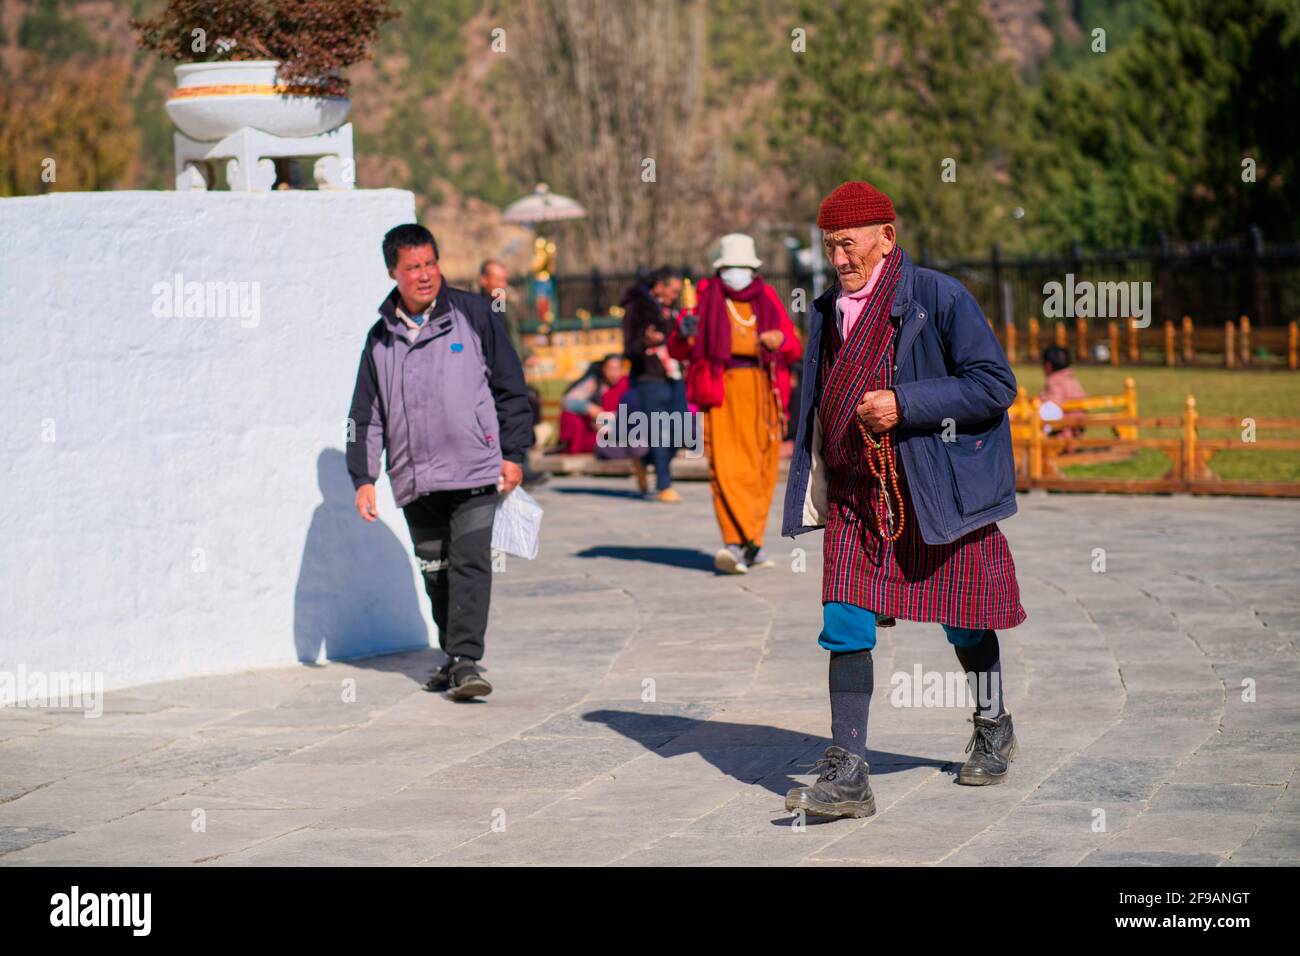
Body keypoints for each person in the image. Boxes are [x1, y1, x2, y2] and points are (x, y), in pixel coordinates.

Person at [780, 182, 1026, 818]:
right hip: (858, 496)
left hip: (933, 486)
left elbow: (995, 385)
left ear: (887, 238)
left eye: (849, 243)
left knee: (964, 616)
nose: (839, 258)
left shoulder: (939, 297)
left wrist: (907, 405)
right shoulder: (828, 309)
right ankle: (849, 771)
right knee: (844, 621)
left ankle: (993, 722)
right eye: (830, 245)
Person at [347, 224, 532, 701]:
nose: (425, 275)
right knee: (436, 572)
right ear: (393, 272)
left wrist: (513, 453)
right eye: (413, 267)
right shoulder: (380, 339)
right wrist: (363, 477)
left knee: (470, 563)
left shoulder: (474, 314)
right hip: (415, 475)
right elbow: (365, 415)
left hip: (474, 468)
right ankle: (454, 656)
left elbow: (510, 386)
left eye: (431, 263)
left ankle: (467, 659)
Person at [683, 234, 802, 574]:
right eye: (732, 267)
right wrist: (683, 332)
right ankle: (735, 543)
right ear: (720, 269)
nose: (738, 273)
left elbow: (792, 344)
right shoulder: (706, 297)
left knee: (762, 467)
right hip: (723, 389)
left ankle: (753, 542)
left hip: (763, 388)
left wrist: (778, 340)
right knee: (725, 466)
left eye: (744, 268)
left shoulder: (765, 296)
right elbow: (683, 346)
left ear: (754, 269)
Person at [621, 266, 687, 502]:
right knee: (659, 431)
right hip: (649, 377)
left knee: (683, 433)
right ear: (659, 285)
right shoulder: (637, 308)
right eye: (672, 290)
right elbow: (628, 348)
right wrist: (644, 342)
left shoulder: (672, 310)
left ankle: (645, 459)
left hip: (675, 375)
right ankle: (663, 484)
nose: (675, 295)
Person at [558, 353, 630, 454]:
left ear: (622, 370)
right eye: (610, 369)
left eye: (617, 369)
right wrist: (589, 407)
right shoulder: (595, 383)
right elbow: (568, 401)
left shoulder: (628, 384)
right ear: (603, 369)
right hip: (597, 430)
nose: (613, 374)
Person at [1038, 345, 1087, 438]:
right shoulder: (1072, 381)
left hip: (1063, 435)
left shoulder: (1055, 383)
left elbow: (1051, 409)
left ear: (1048, 365)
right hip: (1076, 431)